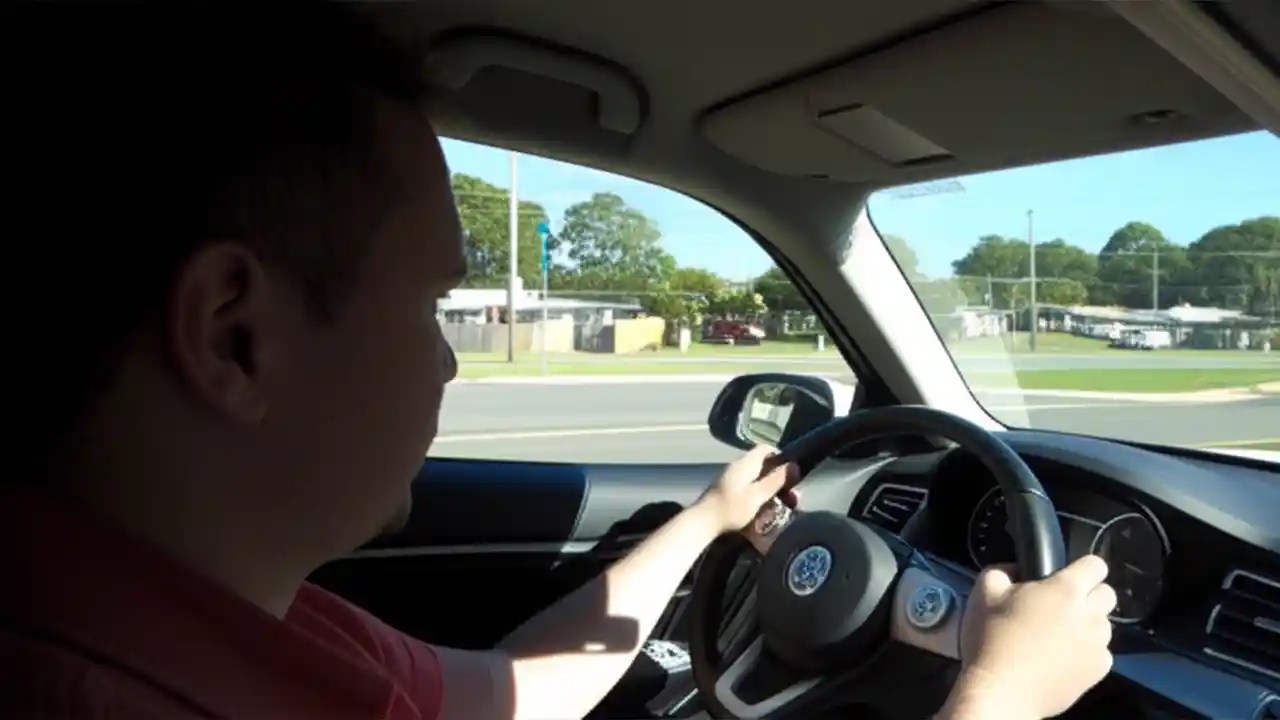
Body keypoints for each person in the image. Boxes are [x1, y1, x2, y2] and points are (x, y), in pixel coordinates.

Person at [0, 3, 1116, 719]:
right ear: (234, 337)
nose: (447, 366)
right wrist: (1000, 698)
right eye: (433, 302)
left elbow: (508, 696)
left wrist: (709, 521)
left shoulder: (235, 622)